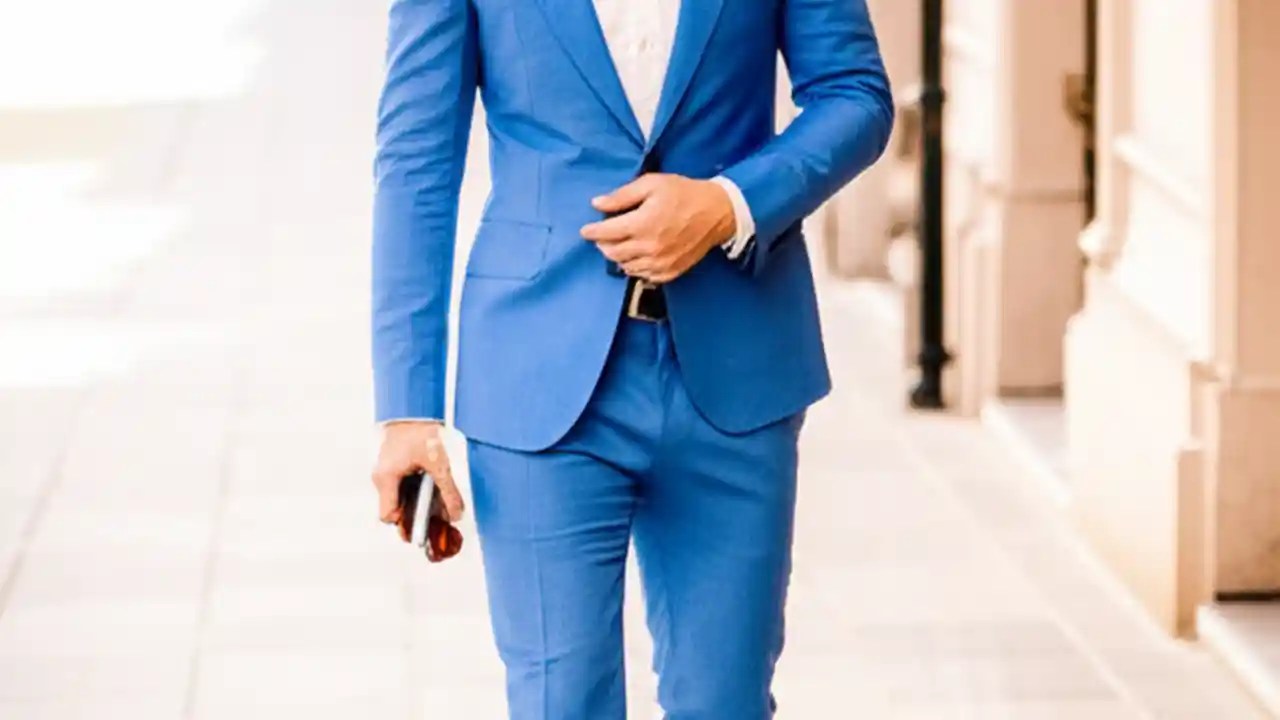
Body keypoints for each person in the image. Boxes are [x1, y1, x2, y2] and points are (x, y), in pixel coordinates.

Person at [369, 1, 892, 717]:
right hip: (538, 377)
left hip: (737, 370)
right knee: (562, 702)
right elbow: (415, 165)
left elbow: (855, 94)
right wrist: (407, 408)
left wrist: (727, 204)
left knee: (726, 703)